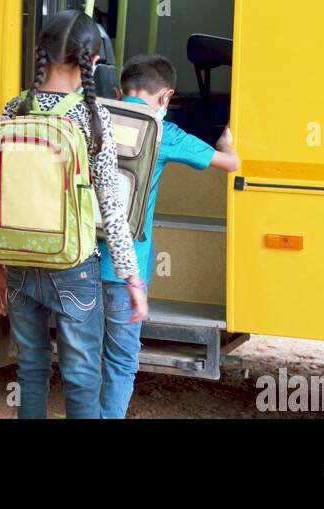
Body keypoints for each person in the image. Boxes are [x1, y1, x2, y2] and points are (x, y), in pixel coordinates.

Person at [0, 10, 148, 419]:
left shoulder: (15, 109)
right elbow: (112, 206)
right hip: (73, 265)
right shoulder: (92, 119)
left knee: (31, 368)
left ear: (43, 54)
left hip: (21, 261)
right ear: (93, 61)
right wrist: (131, 276)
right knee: (81, 374)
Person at [99, 54, 240, 419]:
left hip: (79, 263)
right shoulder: (164, 132)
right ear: (166, 97)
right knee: (120, 361)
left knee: (82, 357)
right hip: (125, 271)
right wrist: (225, 143)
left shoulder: (94, 120)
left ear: (119, 91)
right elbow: (229, 164)